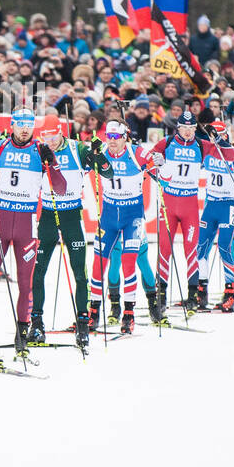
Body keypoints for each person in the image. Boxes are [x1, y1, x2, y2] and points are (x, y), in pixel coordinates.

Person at [0, 108, 66, 354]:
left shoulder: (40, 151)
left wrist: (53, 163)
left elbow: (60, 189)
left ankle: (22, 334)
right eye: (20, 124)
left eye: (29, 124)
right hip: (0, 222)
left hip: (27, 226)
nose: (25, 129)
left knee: (25, 284)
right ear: (13, 125)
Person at [32, 117, 112, 349]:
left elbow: (108, 173)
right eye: (45, 137)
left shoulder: (78, 148)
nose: (50, 142)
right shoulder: (39, 150)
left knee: (79, 273)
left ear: (61, 133)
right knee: (38, 271)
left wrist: (98, 154)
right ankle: (36, 322)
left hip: (71, 216)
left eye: (53, 136)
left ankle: (83, 323)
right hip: (47, 214)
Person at [148, 109, 218, 320]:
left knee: (191, 251)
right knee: (164, 250)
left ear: (196, 129)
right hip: (169, 204)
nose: (187, 132)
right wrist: (157, 169)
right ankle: (160, 298)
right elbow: (147, 162)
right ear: (177, 127)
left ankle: (192, 296)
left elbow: (225, 154)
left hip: (189, 205)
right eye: (184, 128)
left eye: (191, 128)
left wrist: (221, 139)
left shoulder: (201, 145)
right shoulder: (166, 143)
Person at [87, 120, 154, 334]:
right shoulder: (102, 152)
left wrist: (159, 166)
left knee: (128, 263)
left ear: (125, 136)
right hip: (108, 217)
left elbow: (160, 172)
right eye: (109, 136)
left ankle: (129, 313)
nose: (112, 140)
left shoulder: (137, 153)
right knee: (98, 263)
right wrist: (90, 153)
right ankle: (94, 312)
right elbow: (80, 166)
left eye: (116, 136)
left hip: (132, 217)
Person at [195, 120, 234, 312]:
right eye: (212, 134)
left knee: (224, 247)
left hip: (229, 205)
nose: (213, 138)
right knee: (201, 248)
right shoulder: (207, 148)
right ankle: (201, 291)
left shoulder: (232, 152)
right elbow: (194, 142)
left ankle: (230, 292)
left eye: (217, 134)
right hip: (211, 204)